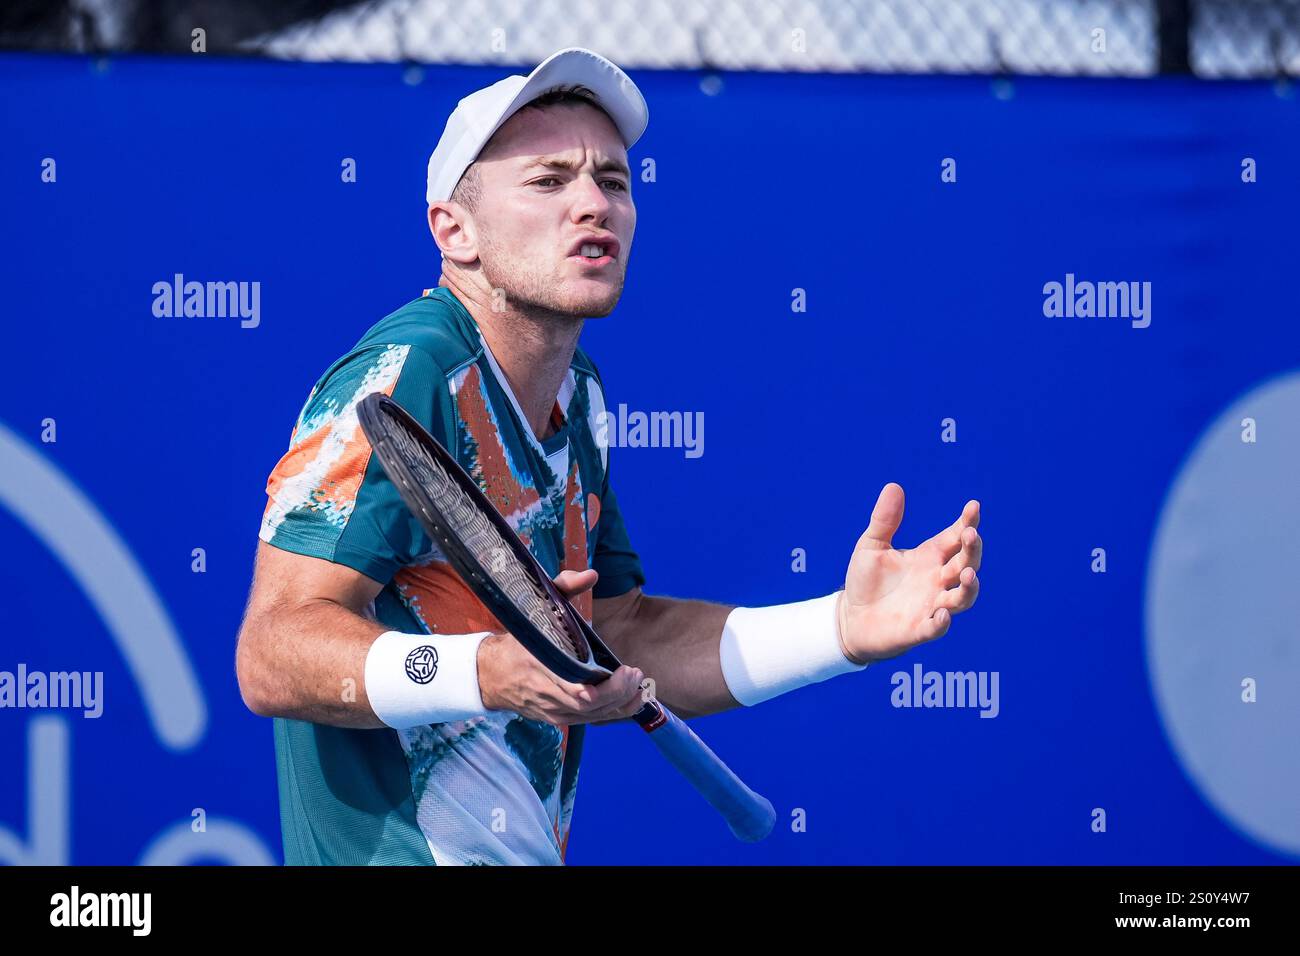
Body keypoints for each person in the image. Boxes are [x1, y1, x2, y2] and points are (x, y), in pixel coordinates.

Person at [235, 47, 983, 866]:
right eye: (548, 181)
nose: (593, 204)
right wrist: (489, 671)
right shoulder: (410, 372)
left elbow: (615, 636)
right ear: (454, 228)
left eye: (614, 182)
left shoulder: (579, 396)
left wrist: (838, 628)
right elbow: (272, 655)